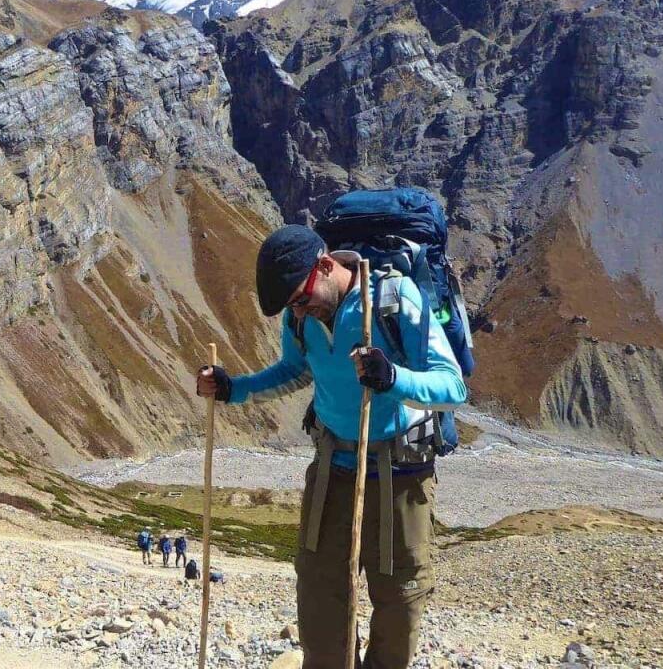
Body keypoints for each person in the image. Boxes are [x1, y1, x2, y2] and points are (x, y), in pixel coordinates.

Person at [196, 225, 466, 669]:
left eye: (301, 299)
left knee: (399, 602)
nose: (298, 312)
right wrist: (232, 389)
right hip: (332, 469)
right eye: (291, 307)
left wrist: (393, 378)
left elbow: (452, 386)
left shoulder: (394, 301)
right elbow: (294, 371)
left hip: (400, 472)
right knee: (321, 598)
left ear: (326, 266)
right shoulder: (300, 317)